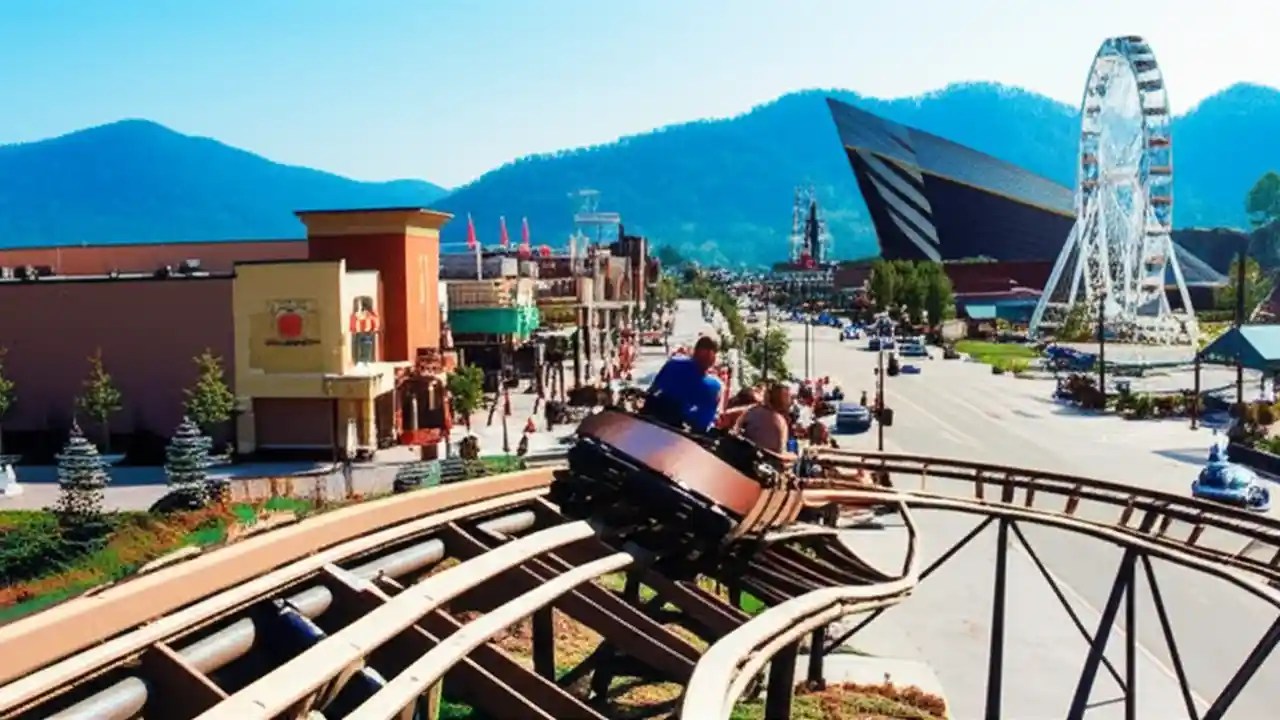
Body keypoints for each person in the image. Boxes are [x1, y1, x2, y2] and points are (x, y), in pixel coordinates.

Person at [646, 336, 724, 431]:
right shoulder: (713, 386)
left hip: (652, 419)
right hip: (679, 432)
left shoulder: (674, 363)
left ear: (695, 351)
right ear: (713, 359)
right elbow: (703, 423)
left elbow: (653, 389)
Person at [737, 382, 794, 457]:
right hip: (761, 461)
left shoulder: (752, 410)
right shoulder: (780, 422)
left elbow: (737, 430)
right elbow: (780, 453)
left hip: (742, 455)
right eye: (788, 397)